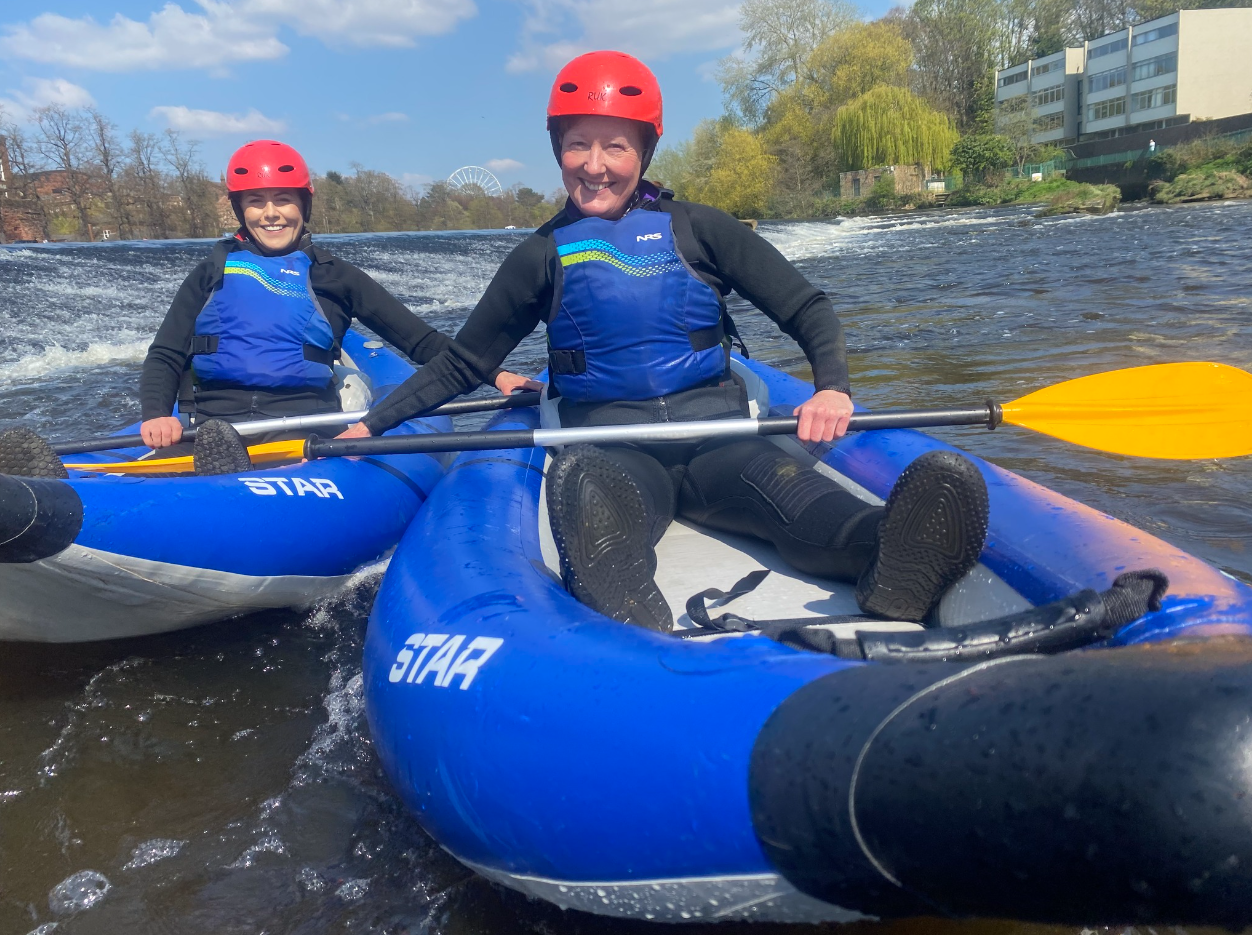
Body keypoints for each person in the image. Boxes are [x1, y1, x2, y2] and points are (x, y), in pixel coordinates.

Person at [340, 52, 989, 630]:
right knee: (600, 505)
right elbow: (463, 363)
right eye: (577, 146)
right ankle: (624, 600)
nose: (594, 166)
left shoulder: (702, 229)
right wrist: (373, 424)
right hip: (613, 450)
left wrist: (831, 385)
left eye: (614, 147)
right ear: (557, 150)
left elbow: (806, 307)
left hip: (722, 440)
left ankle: (894, 558)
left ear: (643, 151)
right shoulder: (539, 256)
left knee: (801, 502)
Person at [139, 139, 538, 459]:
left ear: (304, 204)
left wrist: (495, 374)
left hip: (304, 428)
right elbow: (166, 354)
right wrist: (157, 414)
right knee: (210, 448)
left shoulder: (336, 276)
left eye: (284, 199)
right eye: (256, 201)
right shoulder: (210, 271)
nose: (271, 213)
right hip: (214, 426)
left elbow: (421, 342)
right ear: (240, 209)